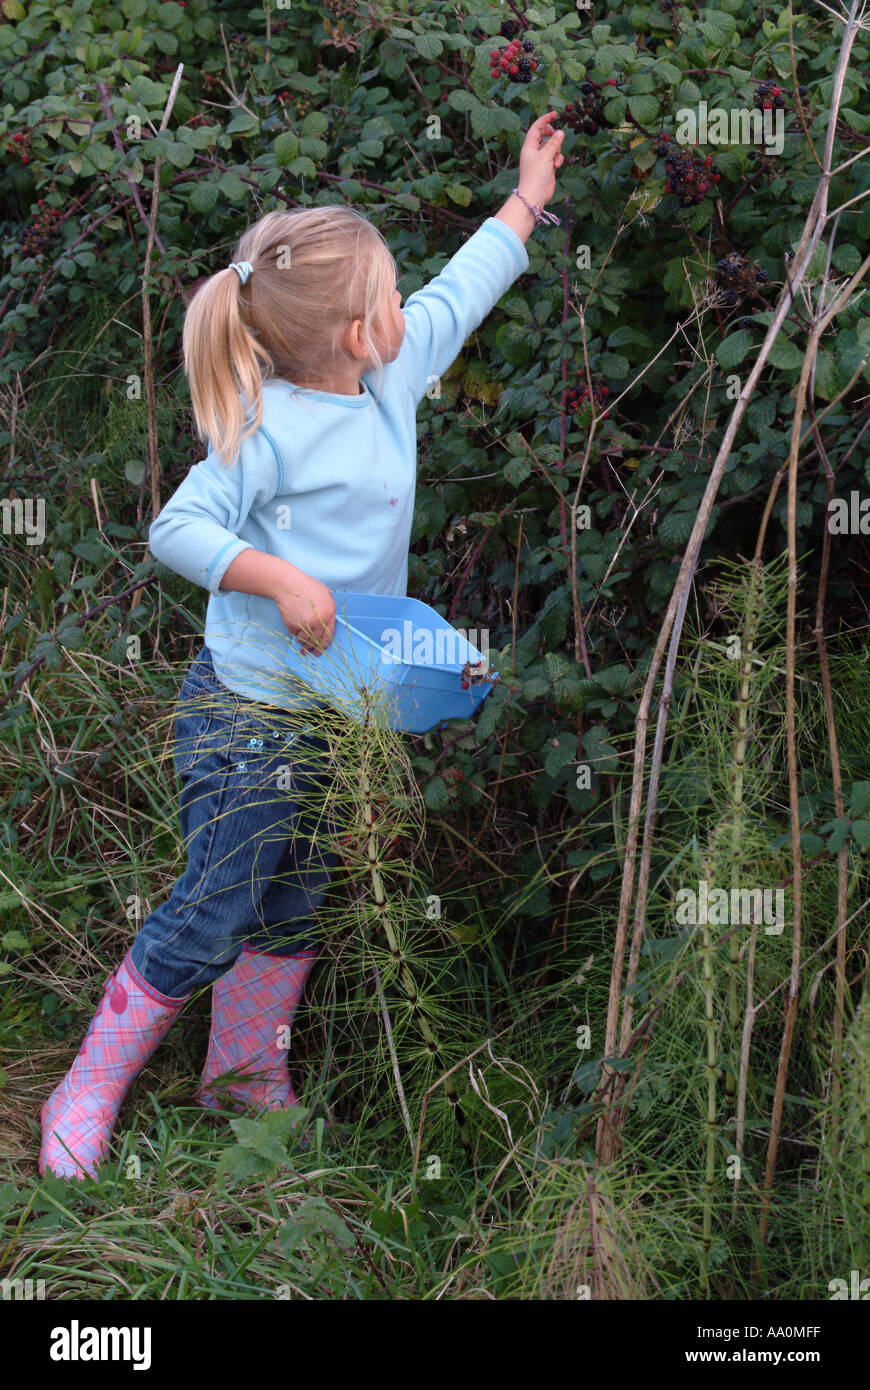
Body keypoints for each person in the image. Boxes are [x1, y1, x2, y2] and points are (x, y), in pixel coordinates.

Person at [39, 112, 565, 1179]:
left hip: (335, 708)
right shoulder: (266, 425)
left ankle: (240, 1073)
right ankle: (86, 1084)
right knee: (219, 901)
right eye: (385, 296)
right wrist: (277, 577)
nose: (402, 308)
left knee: (299, 894)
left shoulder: (390, 377)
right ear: (347, 329)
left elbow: (461, 291)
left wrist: (527, 201)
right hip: (247, 711)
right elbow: (177, 530)